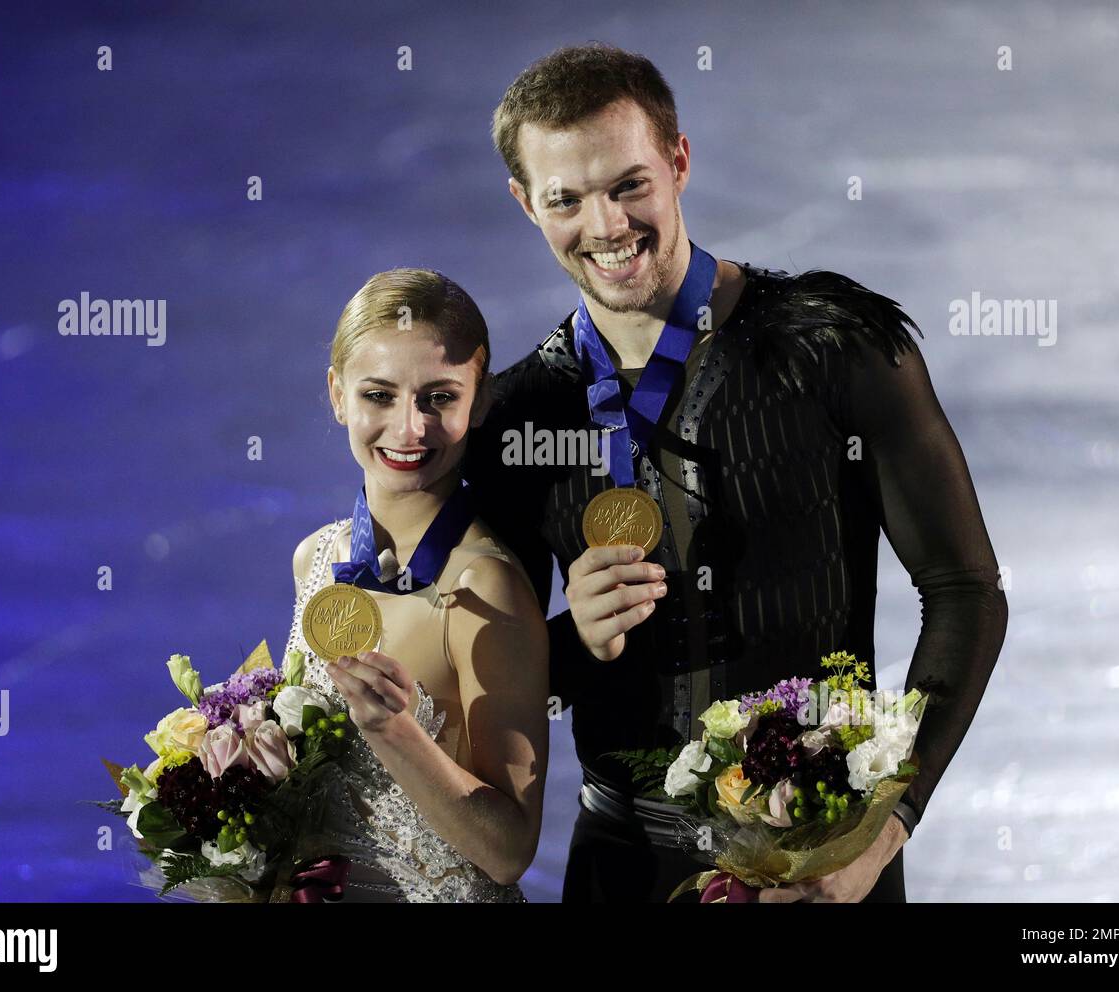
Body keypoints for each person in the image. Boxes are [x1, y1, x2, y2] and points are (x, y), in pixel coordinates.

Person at [463, 43, 1009, 903]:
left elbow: (965, 589)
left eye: (629, 185)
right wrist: (574, 641)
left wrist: (884, 827)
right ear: (526, 203)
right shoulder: (514, 419)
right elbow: (492, 691)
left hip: (823, 863)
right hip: (624, 870)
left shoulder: (837, 348)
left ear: (679, 161)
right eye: (566, 198)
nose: (605, 226)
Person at [281, 268, 549, 902]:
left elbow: (509, 853)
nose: (409, 430)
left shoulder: (487, 589)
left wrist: (396, 733)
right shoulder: (314, 558)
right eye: (378, 395)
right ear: (336, 394)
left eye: (438, 398)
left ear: (479, 399)